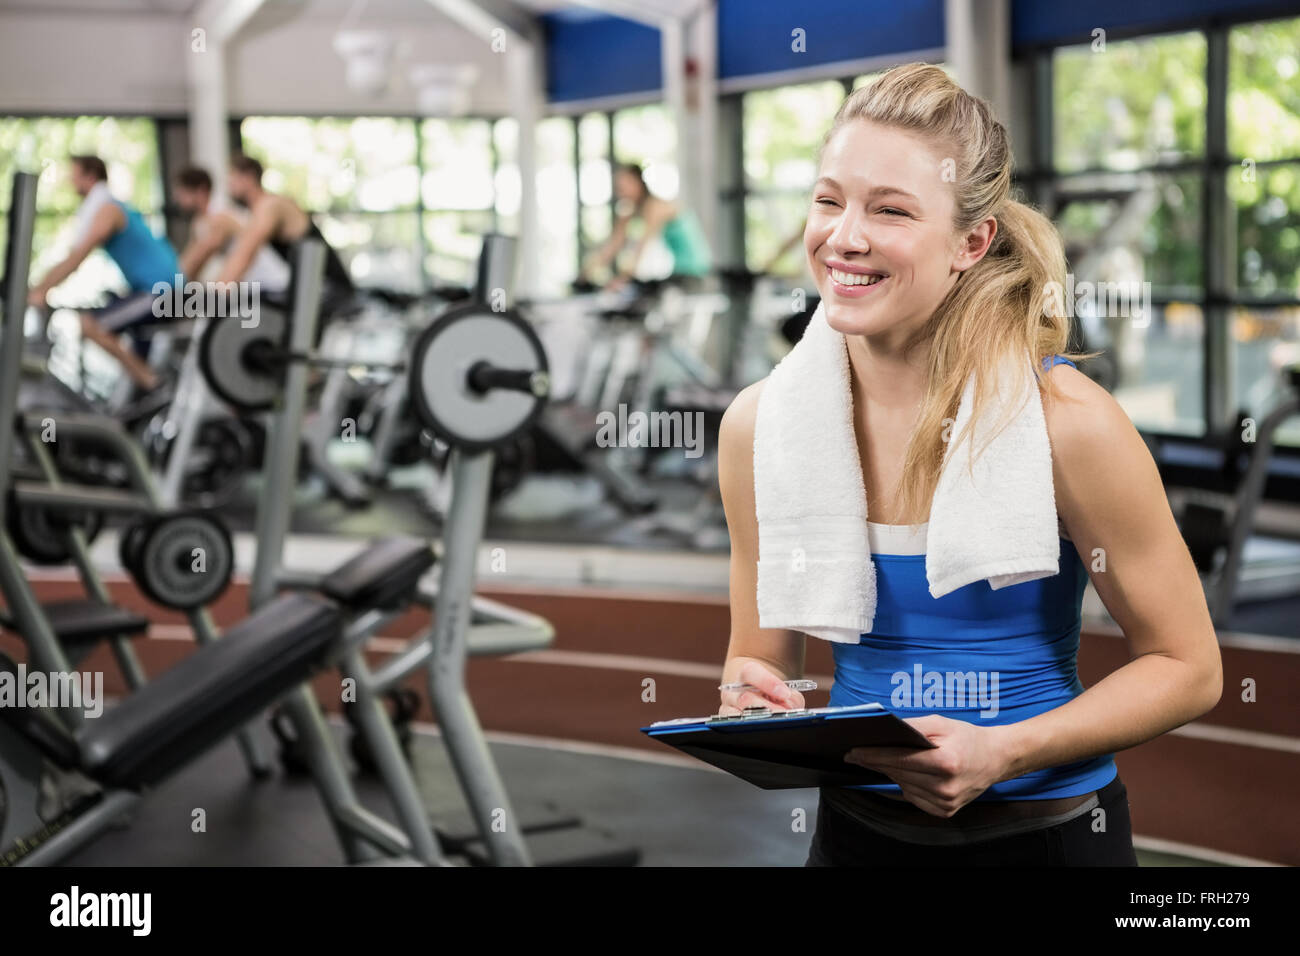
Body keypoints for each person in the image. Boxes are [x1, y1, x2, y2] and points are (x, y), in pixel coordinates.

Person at [716, 63, 1223, 866]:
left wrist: (1006, 751)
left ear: (971, 242)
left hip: (1046, 837)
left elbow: (1188, 668)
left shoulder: (1068, 424)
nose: (844, 236)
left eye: (890, 210)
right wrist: (751, 700)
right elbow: (761, 656)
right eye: (828, 199)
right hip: (852, 834)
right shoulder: (760, 425)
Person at [27, 155, 181, 392]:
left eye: (74, 175)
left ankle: (153, 383)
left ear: (90, 176)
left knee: (92, 325)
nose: (70, 181)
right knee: (113, 324)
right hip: (154, 290)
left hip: (160, 292)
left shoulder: (107, 209)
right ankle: (140, 395)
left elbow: (78, 255)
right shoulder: (108, 205)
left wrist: (41, 290)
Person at [215, 153, 354, 307]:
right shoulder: (256, 211)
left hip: (333, 293)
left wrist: (212, 299)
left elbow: (245, 254)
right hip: (313, 292)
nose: (229, 185)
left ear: (248, 177)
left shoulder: (270, 206)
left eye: (231, 178)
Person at [582, 162, 712, 291]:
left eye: (625, 185)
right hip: (678, 273)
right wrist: (585, 273)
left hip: (693, 274)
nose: (621, 191)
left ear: (639, 183)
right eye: (618, 187)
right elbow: (613, 245)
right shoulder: (631, 210)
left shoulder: (655, 207)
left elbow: (642, 247)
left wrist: (623, 279)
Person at [173, 165, 291, 302]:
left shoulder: (220, 218)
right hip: (254, 290)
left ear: (201, 191)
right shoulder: (200, 222)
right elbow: (187, 265)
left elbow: (192, 263)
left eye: (182, 194)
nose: (178, 200)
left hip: (273, 287)